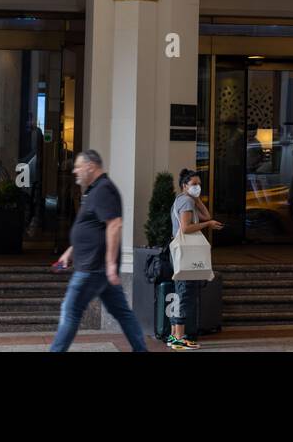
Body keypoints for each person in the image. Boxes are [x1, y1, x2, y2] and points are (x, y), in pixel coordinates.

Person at [50, 150, 148, 352]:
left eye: (78, 166)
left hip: (92, 268)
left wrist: (111, 264)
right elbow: (92, 229)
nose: (74, 171)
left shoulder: (104, 190)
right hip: (97, 267)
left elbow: (114, 225)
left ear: (90, 166)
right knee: (122, 313)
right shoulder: (95, 190)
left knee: (70, 311)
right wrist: (70, 252)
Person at [168, 168, 223, 350]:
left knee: (181, 292)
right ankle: (179, 338)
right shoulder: (185, 201)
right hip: (186, 253)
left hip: (181, 253)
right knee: (185, 294)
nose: (198, 187)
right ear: (185, 186)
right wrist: (208, 224)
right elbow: (186, 228)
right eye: (194, 184)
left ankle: (175, 335)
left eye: (199, 184)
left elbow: (206, 215)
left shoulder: (184, 200)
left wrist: (197, 200)